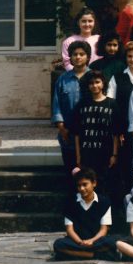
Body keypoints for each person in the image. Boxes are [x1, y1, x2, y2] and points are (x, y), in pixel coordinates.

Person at [51, 169, 116, 261]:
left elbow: (103, 230)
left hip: (96, 241)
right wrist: (80, 242)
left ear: (94, 183)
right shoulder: (70, 203)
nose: (81, 188)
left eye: (85, 184)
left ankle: (78, 254)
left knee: (111, 242)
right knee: (58, 244)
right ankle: (94, 255)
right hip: (76, 241)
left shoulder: (104, 202)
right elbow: (69, 229)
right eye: (79, 185)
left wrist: (91, 241)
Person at [71, 70, 118, 183]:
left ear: (103, 83)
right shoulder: (81, 105)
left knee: (104, 184)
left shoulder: (112, 104)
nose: (94, 85)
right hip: (87, 153)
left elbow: (116, 133)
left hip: (105, 153)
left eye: (97, 82)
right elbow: (77, 133)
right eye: (91, 83)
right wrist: (78, 156)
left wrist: (114, 154)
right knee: (88, 183)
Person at [53, 41, 91, 171]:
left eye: (82, 54)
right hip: (68, 132)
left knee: (88, 169)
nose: (78, 57)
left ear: (88, 57)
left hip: (89, 131)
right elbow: (56, 104)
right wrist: (61, 127)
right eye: (75, 54)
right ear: (70, 57)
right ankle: (71, 192)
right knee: (71, 169)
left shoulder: (94, 77)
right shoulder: (63, 79)